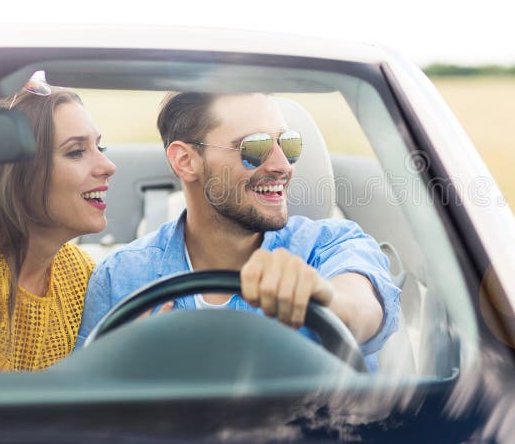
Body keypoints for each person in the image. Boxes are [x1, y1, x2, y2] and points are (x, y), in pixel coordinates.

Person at [77, 92, 400, 371]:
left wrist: (325, 300)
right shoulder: (119, 278)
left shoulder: (333, 245)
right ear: (186, 161)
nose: (282, 165)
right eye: (254, 148)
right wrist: (121, 370)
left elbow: (362, 309)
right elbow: (83, 411)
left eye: (288, 144)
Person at [0, 88, 116, 371]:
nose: (107, 166)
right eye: (76, 152)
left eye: (99, 148)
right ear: (17, 174)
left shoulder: (79, 270)